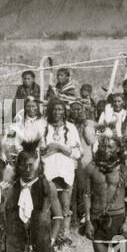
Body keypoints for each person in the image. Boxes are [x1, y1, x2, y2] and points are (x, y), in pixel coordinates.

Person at [41, 99, 83, 243]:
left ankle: (64, 235)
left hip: (66, 171)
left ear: (65, 112)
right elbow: (38, 149)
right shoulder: (42, 126)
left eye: (60, 109)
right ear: (50, 111)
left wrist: (59, 147)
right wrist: (45, 151)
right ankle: (48, 233)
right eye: (55, 109)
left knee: (65, 203)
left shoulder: (71, 127)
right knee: (47, 202)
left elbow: (78, 152)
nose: (57, 112)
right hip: (47, 171)